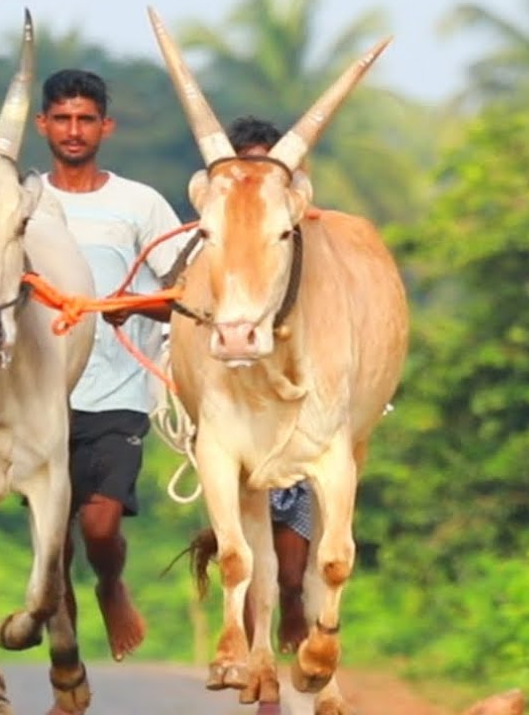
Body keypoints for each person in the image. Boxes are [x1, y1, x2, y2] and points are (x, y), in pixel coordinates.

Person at [34, 68, 187, 663]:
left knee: (99, 528)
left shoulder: (140, 203)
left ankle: (112, 583)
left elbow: (185, 294)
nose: (74, 131)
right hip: (41, 395)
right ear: (43, 124)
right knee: (52, 544)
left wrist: (132, 306)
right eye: (63, 119)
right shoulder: (25, 201)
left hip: (119, 388)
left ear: (106, 126)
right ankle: (67, 673)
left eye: (86, 119)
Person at [227, 114, 314, 654]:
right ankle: (252, 658)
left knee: (291, 569)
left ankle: (296, 604)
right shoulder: (217, 241)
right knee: (244, 556)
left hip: (298, 411)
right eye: (249, 166)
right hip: (237, 408)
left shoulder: (309, 237)